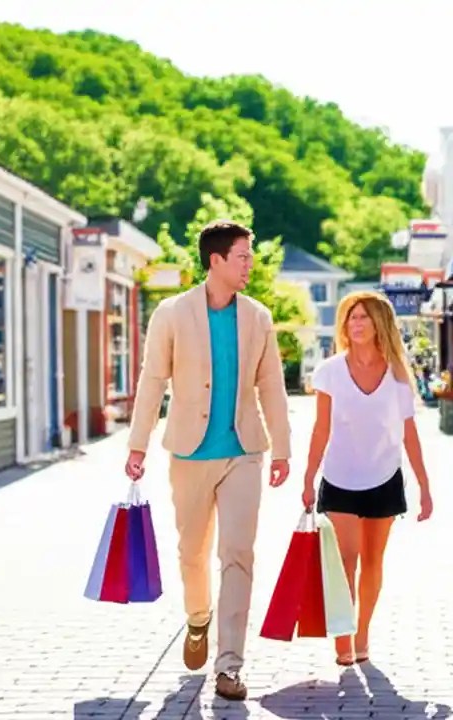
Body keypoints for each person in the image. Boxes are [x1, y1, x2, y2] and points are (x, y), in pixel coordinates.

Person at [124, 219, 291, 702]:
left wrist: (281, 447)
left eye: (250, 255)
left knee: (238, 554)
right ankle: (199, 617)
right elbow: (153, 380)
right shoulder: (172, 314)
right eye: (242, 255)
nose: (249, 264)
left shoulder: (257, 317)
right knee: (192, 552)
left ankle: (230, 665)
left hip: (243, 453)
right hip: (189, 452)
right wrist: (137, 444)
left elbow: (272, 387)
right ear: (215, 260)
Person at [299, 290, 433, 666]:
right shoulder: (329, 372)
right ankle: (343, 638)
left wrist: (425, 486)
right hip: (340, 477)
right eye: (350, 317)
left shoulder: (398, 376)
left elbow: (410, 434)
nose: (355, 324)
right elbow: (320, 429)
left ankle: (362, 634)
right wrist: (308, 477)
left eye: (363, 317)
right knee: (346, 559)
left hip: (384, 477)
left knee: (373, 562)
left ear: (379, 324)